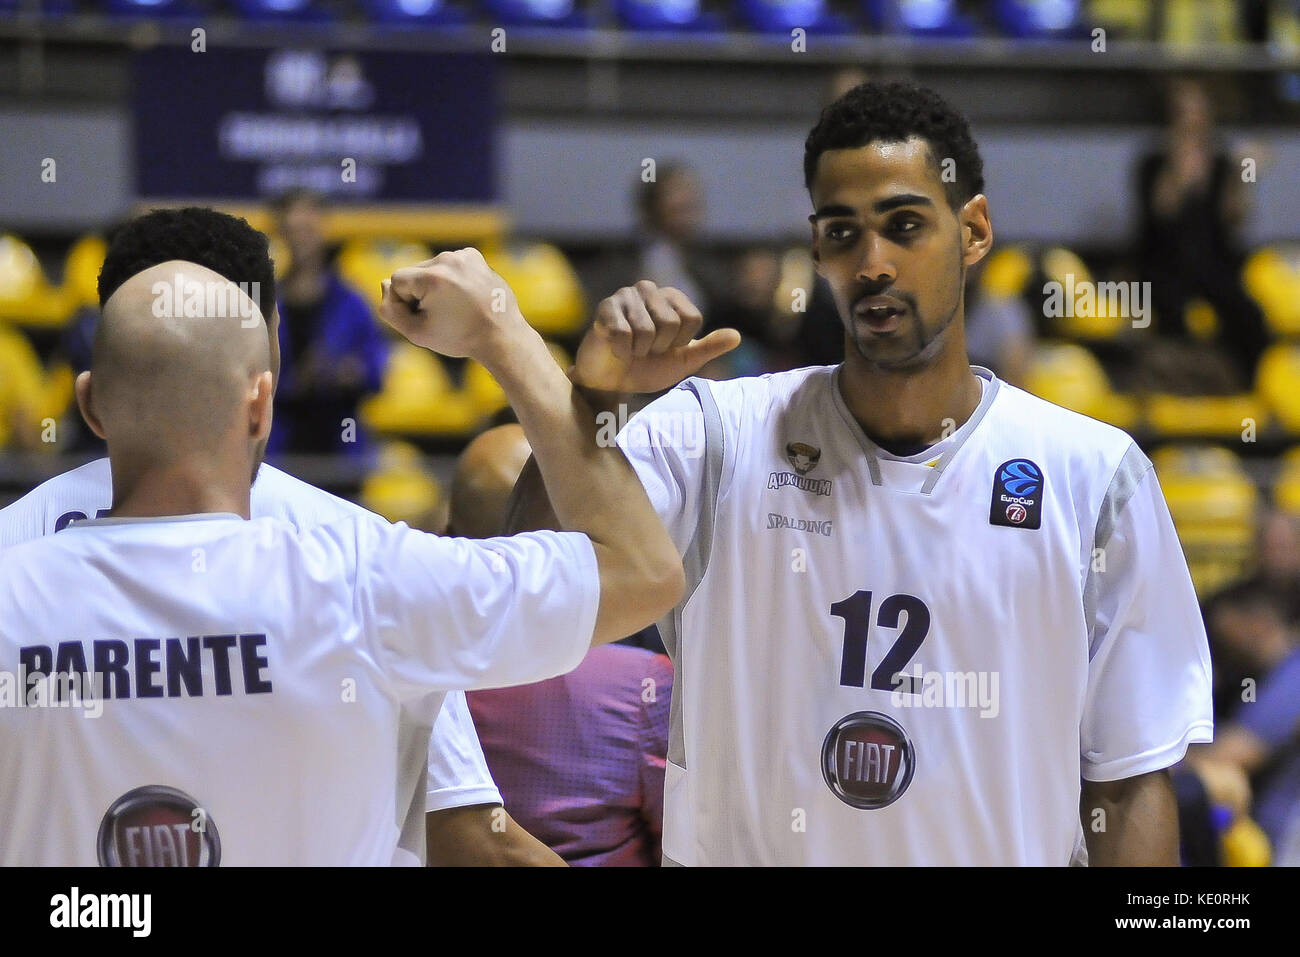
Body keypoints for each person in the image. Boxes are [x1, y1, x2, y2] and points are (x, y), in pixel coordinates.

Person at [508, 80, 1214, 866]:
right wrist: (593, 395)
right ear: (817, 250)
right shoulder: (716, 435)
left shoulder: (1093, 476)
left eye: (904, 225)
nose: (872, 264)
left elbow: (1128, 779)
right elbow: (532, 593)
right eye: (843, 234)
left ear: (973, 230)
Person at [0, 208, 604, 866]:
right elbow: (468, 838)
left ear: (96, 385)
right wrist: (503, 335)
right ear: (265, 371)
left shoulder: (13, 549)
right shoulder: (359, 557)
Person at [450, 425, 673, 866]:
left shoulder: (402, 673)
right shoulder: (643, 685)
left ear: (446, 537)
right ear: (583, 546)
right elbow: (695, 842)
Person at [271, 188, 389, 456]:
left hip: (340, 444)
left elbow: (376, 370)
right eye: (293, 229)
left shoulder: (351, 301)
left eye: (308, 229)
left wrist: (348, 372)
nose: (301, 239)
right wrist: (293, 381)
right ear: (282, 233)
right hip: (282, 444)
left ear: (323, 229)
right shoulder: (266, 302)